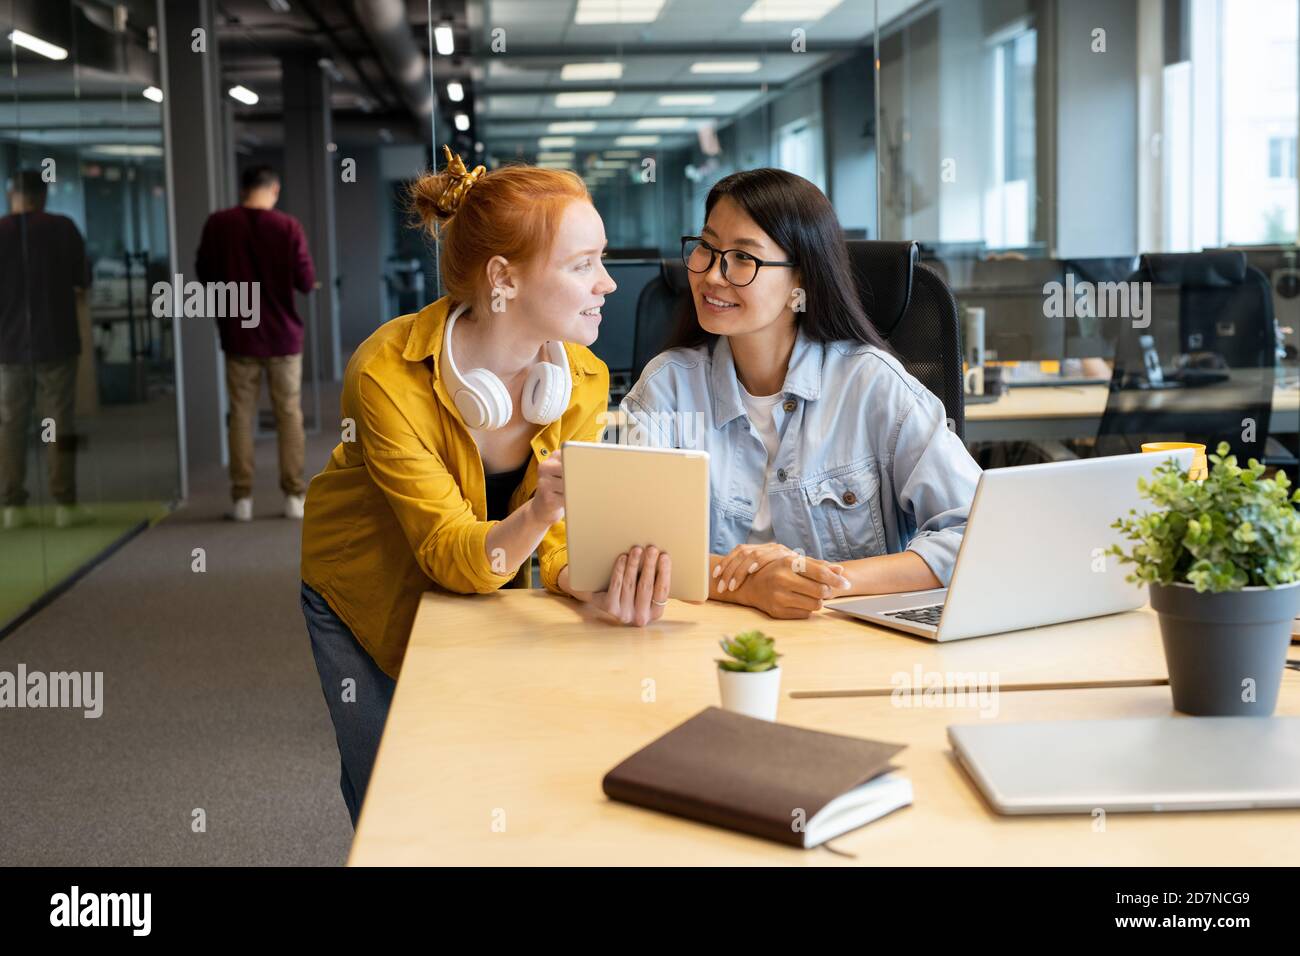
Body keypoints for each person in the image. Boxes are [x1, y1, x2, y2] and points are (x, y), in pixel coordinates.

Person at [299, 147, 670, 826]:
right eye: (583, 265)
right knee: (391, 796)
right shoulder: (387, 372)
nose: (608, 285)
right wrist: (541, 509)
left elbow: (554, 545)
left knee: (482, 778)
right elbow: (445, 552)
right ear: (503, 277)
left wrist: (584, 577)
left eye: (602, 260)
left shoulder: (580, 379)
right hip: (367, 593)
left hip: (482, 584)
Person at [621, 167, 981, 619]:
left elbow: (974, 531)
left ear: (801, 281)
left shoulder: (873, 387)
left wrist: (818, 580)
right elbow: (627, 551)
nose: (713, 275)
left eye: (742, 258)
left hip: (851, 656)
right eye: (707, 249)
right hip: (702, 657)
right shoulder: (667, 391)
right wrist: (748, 586)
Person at [195, 164, 315, 521]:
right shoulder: (288, 227)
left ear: (243, 188)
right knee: (289, 414)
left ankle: (242, 499)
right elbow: (306, 281)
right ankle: (294, 495)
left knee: (241, 416)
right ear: (274, 190)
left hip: (239, 334)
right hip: (283, 337)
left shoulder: (218, 224)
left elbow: (204, 273)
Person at [0, 170, 92, 531]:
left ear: (12, 195)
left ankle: (11, 506)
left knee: (10, 425)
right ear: (44, 195)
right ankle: (64, 504)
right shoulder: (62, 228)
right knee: (58, 423)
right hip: (56, 339)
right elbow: (81, 279)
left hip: (7, 346)